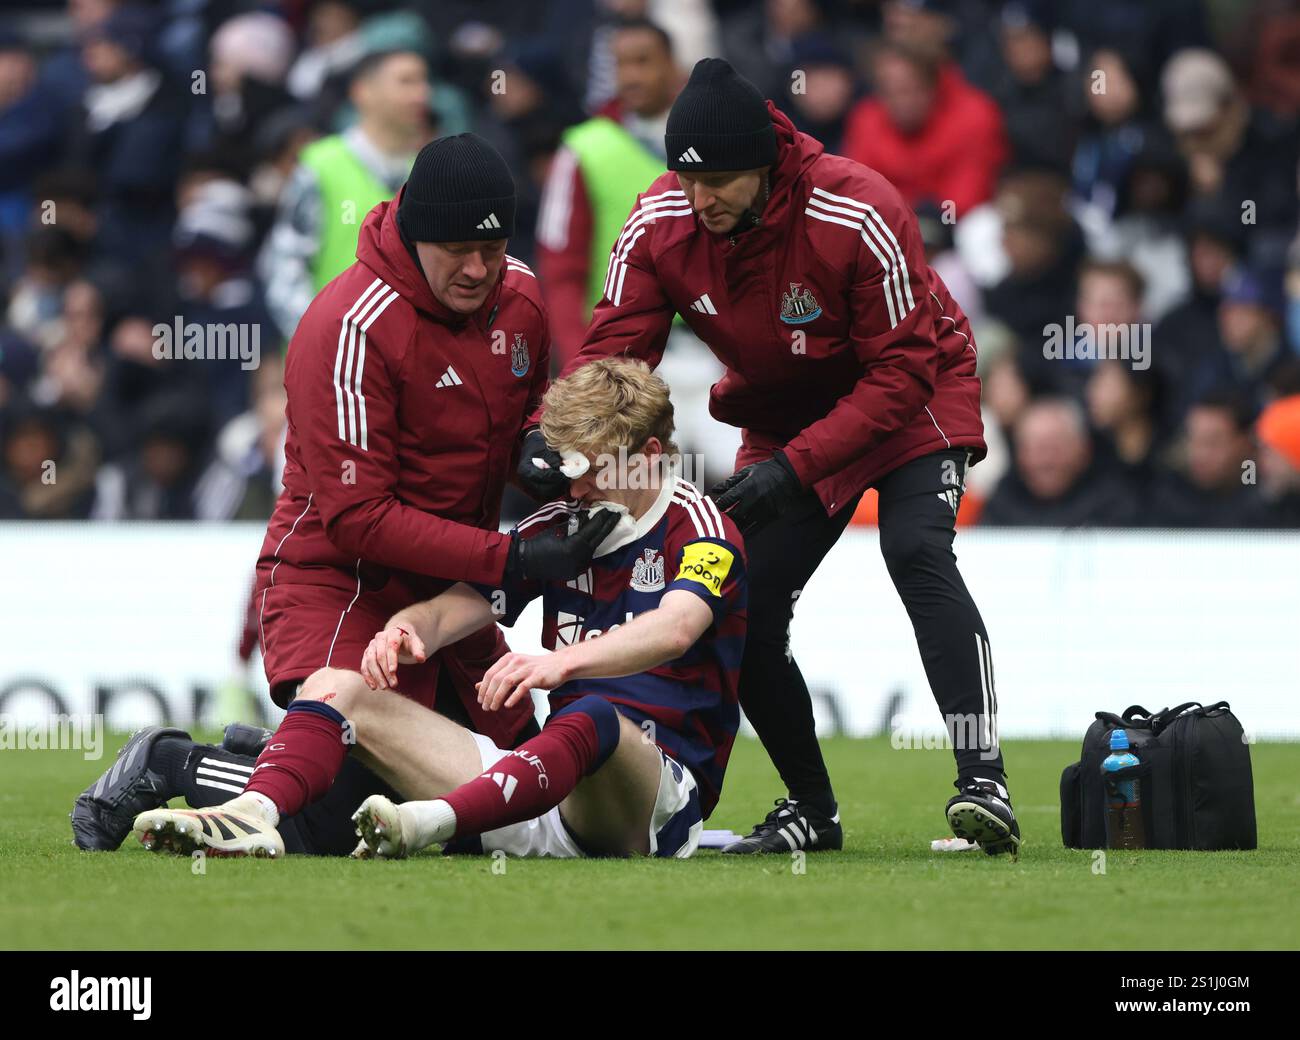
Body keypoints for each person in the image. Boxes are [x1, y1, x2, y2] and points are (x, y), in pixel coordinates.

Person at [518, 59, 1018, 858]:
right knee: (743, 603)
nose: (699, 198)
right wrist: (554, 441)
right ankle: (814, 811)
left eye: (718, 180)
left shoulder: (858, 208)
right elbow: (617, 357)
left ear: (765, 163)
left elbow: (901, 370)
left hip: (914, 396)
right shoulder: (659, 226)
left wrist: (793, 470)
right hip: (783, 416)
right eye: (687, 180)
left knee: (916, 550)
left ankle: (983, 779)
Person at [72, 134, 616, 855]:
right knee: (333, 828)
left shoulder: (518, 297)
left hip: (449, 599)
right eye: (458, 249)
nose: (480, 268)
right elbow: (359, 519)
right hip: (341, 584)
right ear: (417, 231)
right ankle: (167, 761)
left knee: (515, 806)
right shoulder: (348, 326)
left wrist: (541, 457)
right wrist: (513, 558)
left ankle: (272, 750)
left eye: (493, 248)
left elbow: (519, 423)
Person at [131, 359, 745, 860]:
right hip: (541, 793)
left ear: (649, 454)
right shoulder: (562, 527)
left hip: (653, 809)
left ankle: (428, 823)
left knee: (595, 717)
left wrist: (559, 665)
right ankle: (251, 814)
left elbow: (677, 626)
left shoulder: (700, 527)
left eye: (588, 470)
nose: (574, 488)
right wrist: (408, 628)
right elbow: (459, 608)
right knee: (337, 686)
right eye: (566, 469)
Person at [258, 47, 435, 339]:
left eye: (423, 82)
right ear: (363, 92)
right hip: (331, 364)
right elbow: (283, 265)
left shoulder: (431, 170)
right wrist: (321, 338)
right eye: (406, 81)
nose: (421, 94)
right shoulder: (321, 164)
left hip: (409, 367)